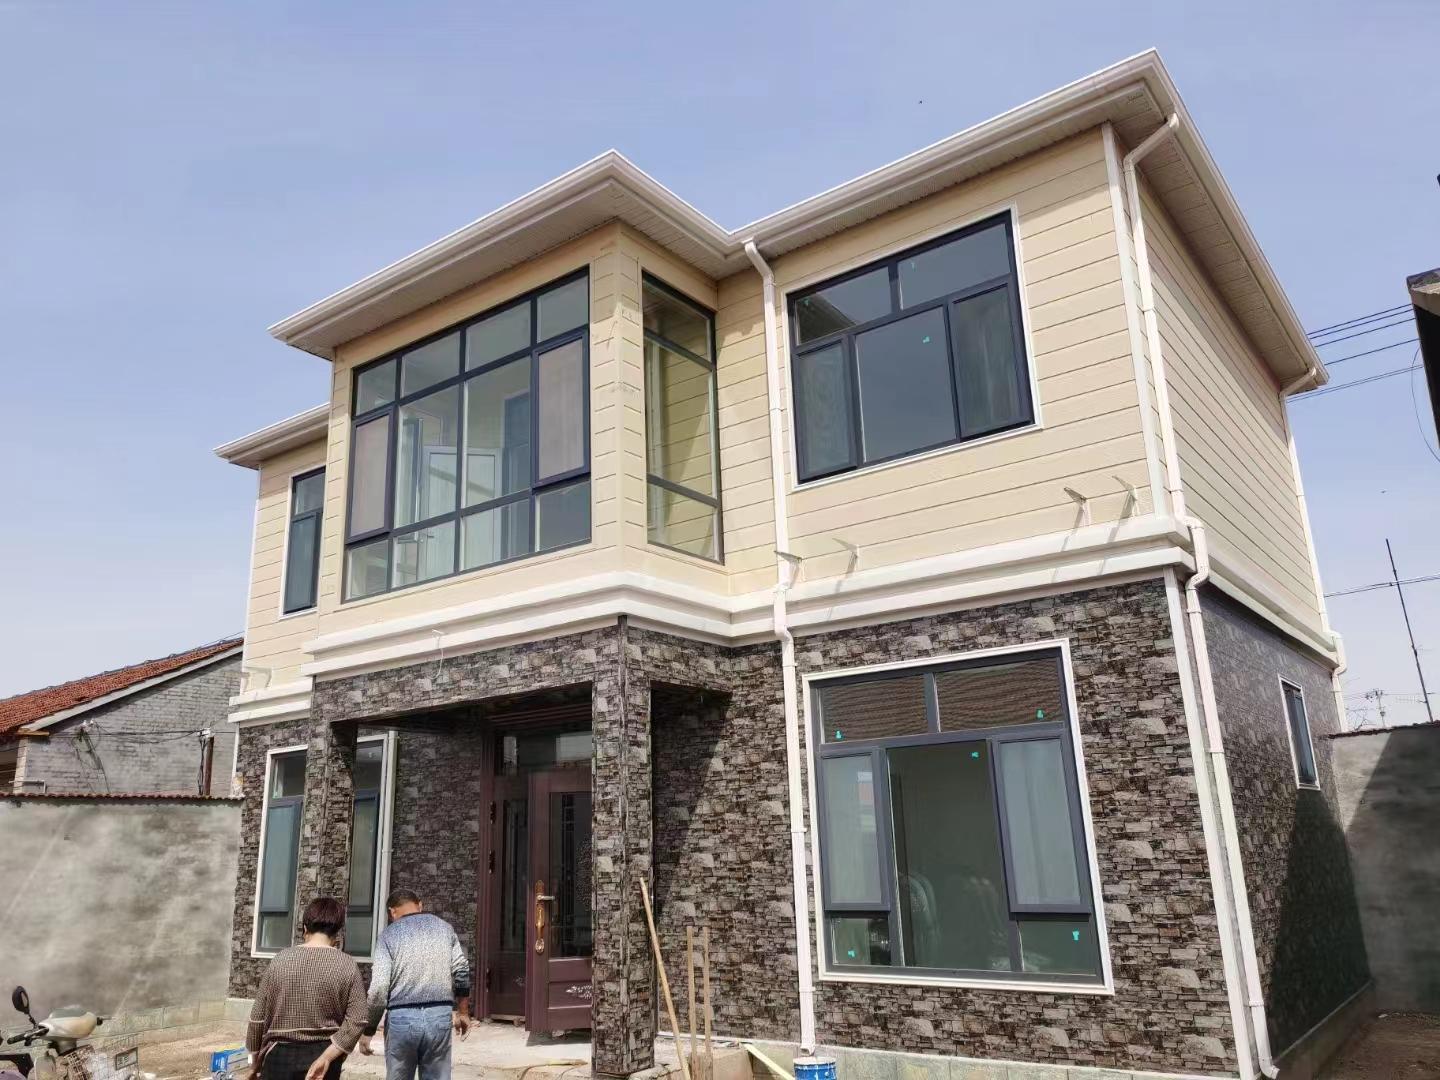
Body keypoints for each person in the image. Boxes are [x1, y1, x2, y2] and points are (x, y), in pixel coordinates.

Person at [245, 897, 368, 1080]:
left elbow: (257, 1018)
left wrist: (254, 1062)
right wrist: (327, 1057)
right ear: (337, 933)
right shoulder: (347, 964)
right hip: (325, 1054)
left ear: (305, 928)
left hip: (279, 1055)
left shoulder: (280, 960)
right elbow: (358, 1019)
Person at [360, 889, 471, 1080]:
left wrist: (369, 1030)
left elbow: (378, 989)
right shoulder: (445, 928)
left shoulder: (388, 935)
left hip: (401, 1018)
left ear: (392, 912)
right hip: (439, 1016)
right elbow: (461, 970)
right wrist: (463, 1013)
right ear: (420, 905)